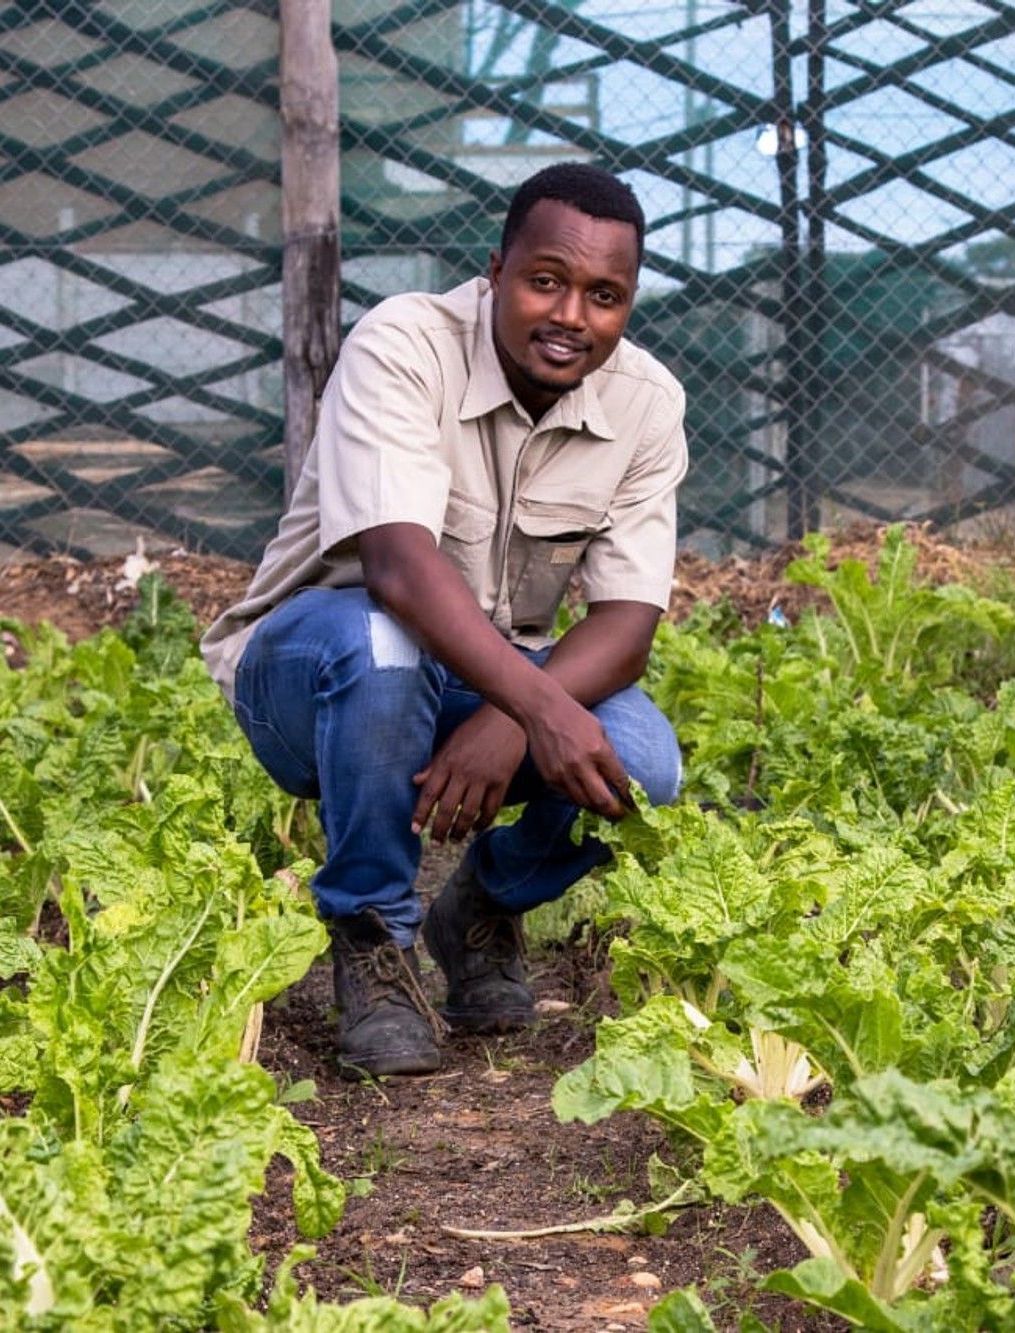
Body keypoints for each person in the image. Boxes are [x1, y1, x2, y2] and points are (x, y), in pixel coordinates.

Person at [200, 163, 687, 1079]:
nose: (572, 316)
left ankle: (480, 910)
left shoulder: (647, 405)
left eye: (605, 295)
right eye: (547, 280)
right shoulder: (406, 345)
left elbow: (628, 622)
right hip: (313, 675)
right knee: (384, 643)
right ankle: (373, 936)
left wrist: (514, 716)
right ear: (495, 269)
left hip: (483, 680)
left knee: (647, 764)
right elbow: (397, 568)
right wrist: (532, 706)